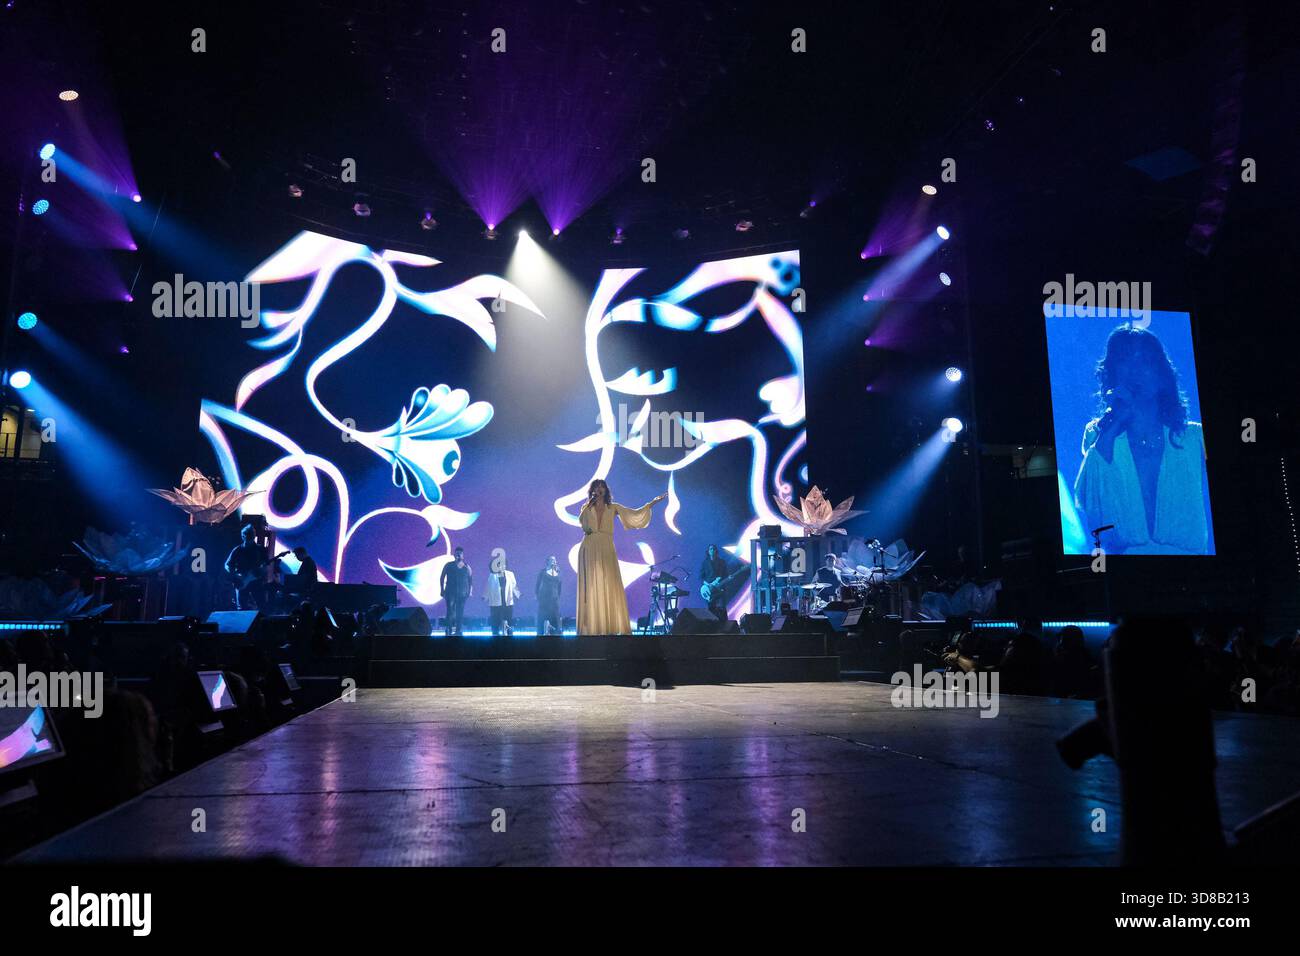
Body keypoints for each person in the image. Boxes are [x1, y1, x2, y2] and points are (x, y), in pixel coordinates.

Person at [1073, 325, 1210, 554]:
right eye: (1125, 359)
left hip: (1192, 569)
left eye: (1145, 360)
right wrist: (1113, 422)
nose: (1135, 369)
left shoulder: (1195, 438)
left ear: (1161, 375)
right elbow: (1089, 503)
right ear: (1113, 371)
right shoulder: (1097, 435)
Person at [576, 479, 667, 635]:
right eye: (596, 487)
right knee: (590, 585)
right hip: (589, 546)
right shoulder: (587, 507)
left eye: (602, 487)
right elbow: (583, 524)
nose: (599, 490)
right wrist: (589, 505)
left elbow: (634, 513)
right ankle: (590, 627)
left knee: (609, 582)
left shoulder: (613, 507)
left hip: (605, 546)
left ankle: (609, 625)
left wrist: (652, 503)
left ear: (606, 490)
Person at [224, 524, 268, 610]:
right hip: (242, 581)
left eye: (251, 535)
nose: (249, 537)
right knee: (241, 607)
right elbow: (228, 565)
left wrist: (261, 571)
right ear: (243, 536)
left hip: (256, 580)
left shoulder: (260, 549)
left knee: (261, 605)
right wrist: (237, 575)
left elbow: (265, 564)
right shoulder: (238, 550)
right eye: (247, 535)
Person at [699, 544, 741, 621]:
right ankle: (712, 627)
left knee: (722, 608)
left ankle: (725, 626)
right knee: (711, 609)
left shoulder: (722, 562)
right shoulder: (705, 563)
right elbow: (701, 577)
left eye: (714, 549)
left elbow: (725, 574)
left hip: (720, 588)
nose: (712, 550)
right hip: (709, 589)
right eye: (710, 549)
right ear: (708, 552)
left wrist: (729, 578)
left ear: (716, 551)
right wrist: (708, 585)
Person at [439, 547, 472, 636]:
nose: (458, 555)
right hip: (450, 592)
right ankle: (449, 629)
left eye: (460, 553)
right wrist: (442, 589)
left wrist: (470, 591)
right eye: (457, 553)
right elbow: (442, 577)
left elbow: (470, 580)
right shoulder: (448, 565)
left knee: (460, 611)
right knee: (450, 611)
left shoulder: (467, 566)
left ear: (463, 555)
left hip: (462, 593)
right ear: (454, 554)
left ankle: (458, 630)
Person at [485, 557, 521, 636]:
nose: (502, 566)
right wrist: (485, 596)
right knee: (495, 619)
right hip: (496, 601)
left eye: (503, 564)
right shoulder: (492, 575)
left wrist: (518, 594)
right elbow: (488, 587)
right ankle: (495, 634)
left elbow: (514, 586)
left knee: (508, 618)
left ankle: (509, 634)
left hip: (507, 600)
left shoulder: (510, 574)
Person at [535, 555, 563, 635]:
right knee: (543, 617)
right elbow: (537, 585)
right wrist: (537, 595)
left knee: (555, 616)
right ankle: (541, 634)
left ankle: (555, 634)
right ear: (547, 562)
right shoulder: (542, 572)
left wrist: (557, 596)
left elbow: (560, 586)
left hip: (554, 600)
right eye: (552, 560)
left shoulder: (558, 572)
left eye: (555, 560)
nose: (554, 561)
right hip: (544, 599)